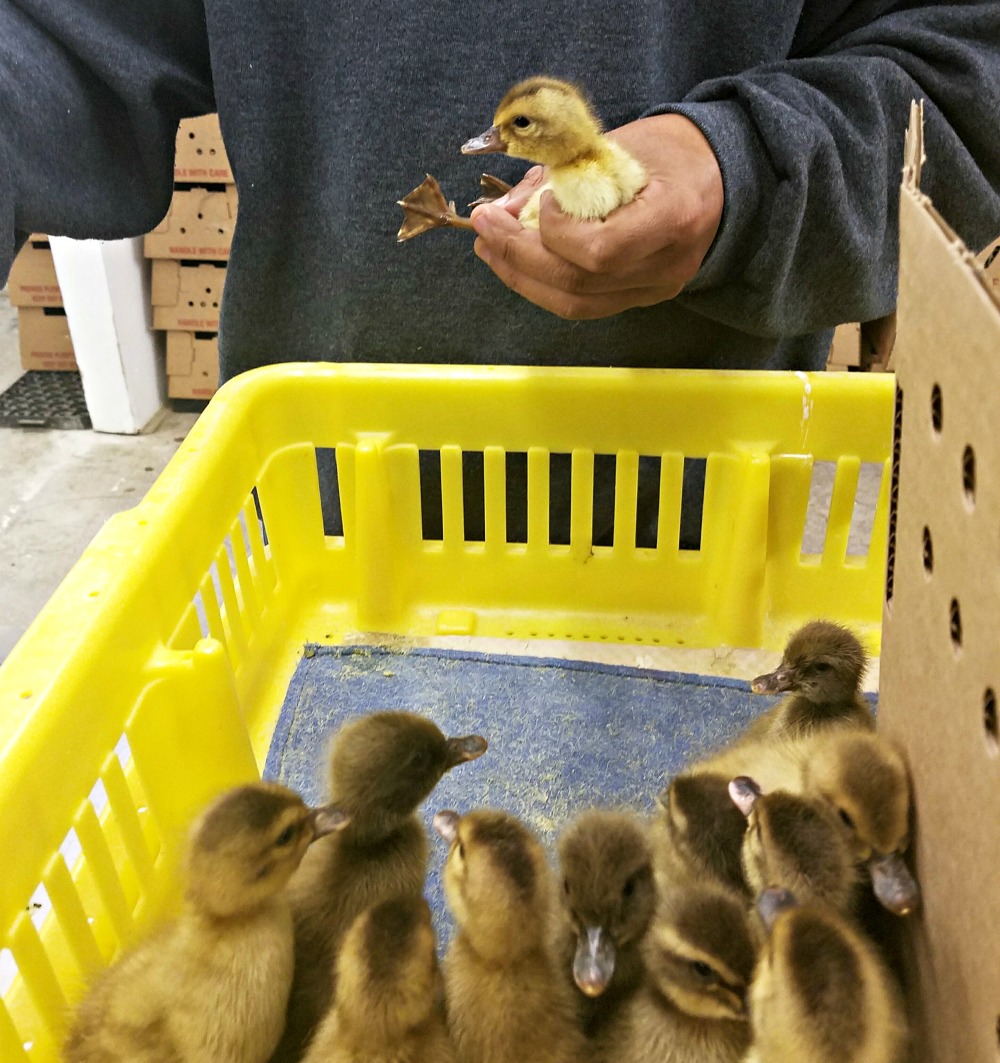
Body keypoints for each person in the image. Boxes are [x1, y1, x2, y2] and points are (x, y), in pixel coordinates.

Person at [2, 3, 999, 544]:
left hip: (700, 541)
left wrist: (743, 170)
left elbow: (966, 71)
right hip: (320, 529)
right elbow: (49, 33)